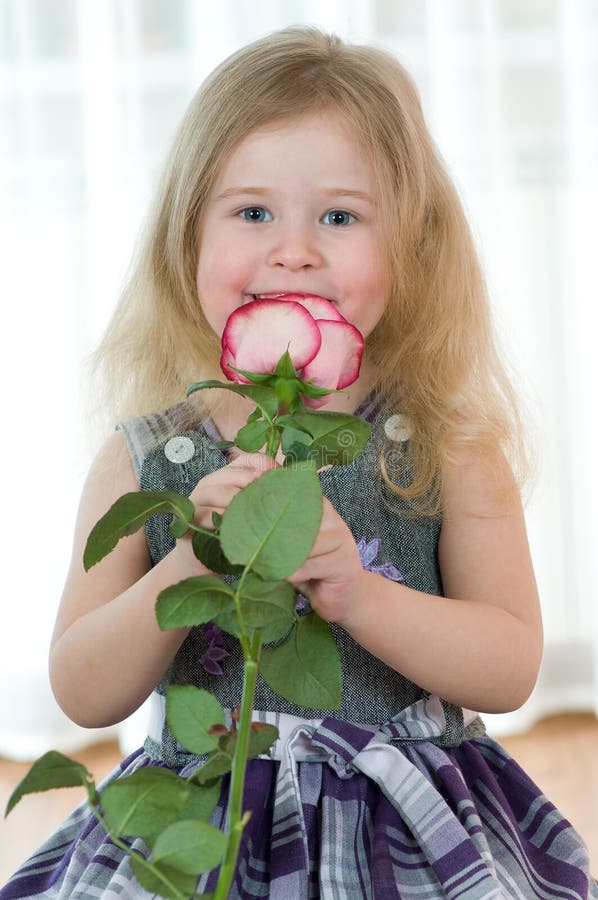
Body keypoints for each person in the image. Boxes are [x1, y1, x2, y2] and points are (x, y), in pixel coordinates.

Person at [2, 26, 596, 900]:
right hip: (198, 827)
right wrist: (190, 559)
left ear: (411, 249)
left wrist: (361, 594)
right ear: (185, 237)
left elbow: (508, 667)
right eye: (251, 213)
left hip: (405, 828)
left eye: (340, 216)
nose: (294, 250)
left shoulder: (442, 447)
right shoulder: (144, 460)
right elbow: (84, 690)